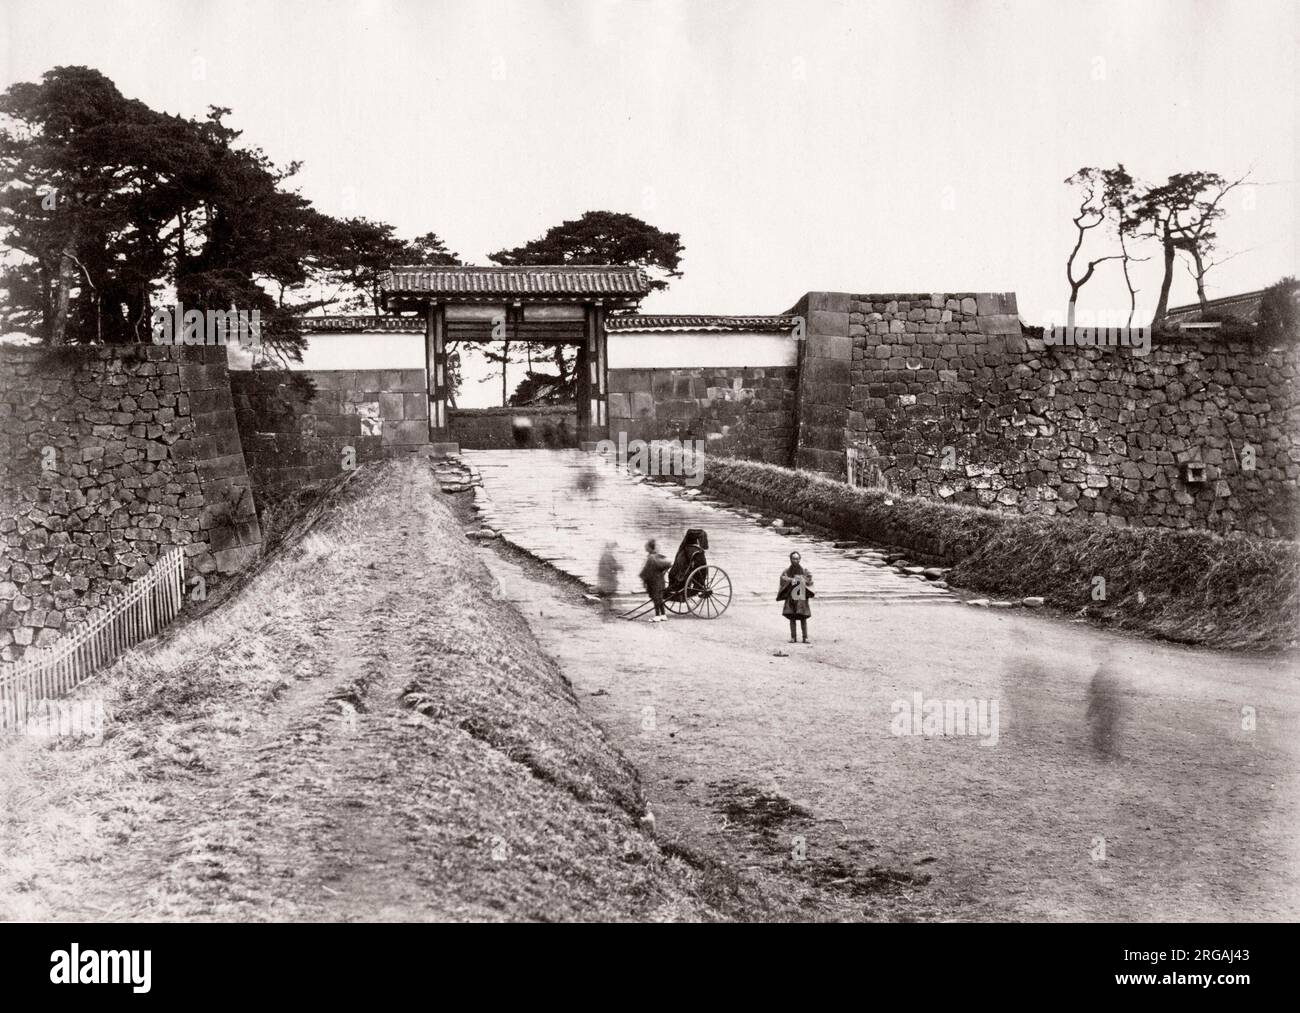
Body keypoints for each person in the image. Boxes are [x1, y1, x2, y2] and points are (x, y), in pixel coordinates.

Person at [777, 551, 814, 643]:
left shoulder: (805, 571)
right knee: (792, 616)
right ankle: (793, 637)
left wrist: (798, 579)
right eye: (793, 558)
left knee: (803, 617)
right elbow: (782, 580)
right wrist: (792, 580)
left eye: (797, 559)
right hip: (791, 596)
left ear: (800, 559)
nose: (795, 560)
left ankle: (805, 637)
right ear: (790, 559)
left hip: (801, 597)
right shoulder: (786, 571)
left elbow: (809, 580)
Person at [639, 539, 672, 623]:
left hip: (654, 582)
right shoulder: (657, 556)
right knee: (660, 599)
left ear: (650, 548)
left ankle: (657, 616)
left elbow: (645, 570)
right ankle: (663, 615)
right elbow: (668, 564)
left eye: (646, 547)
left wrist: (642, 577)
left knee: (656, 599)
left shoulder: (651, 558)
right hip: (660, 581)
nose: (645, 548)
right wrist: (662, 572)